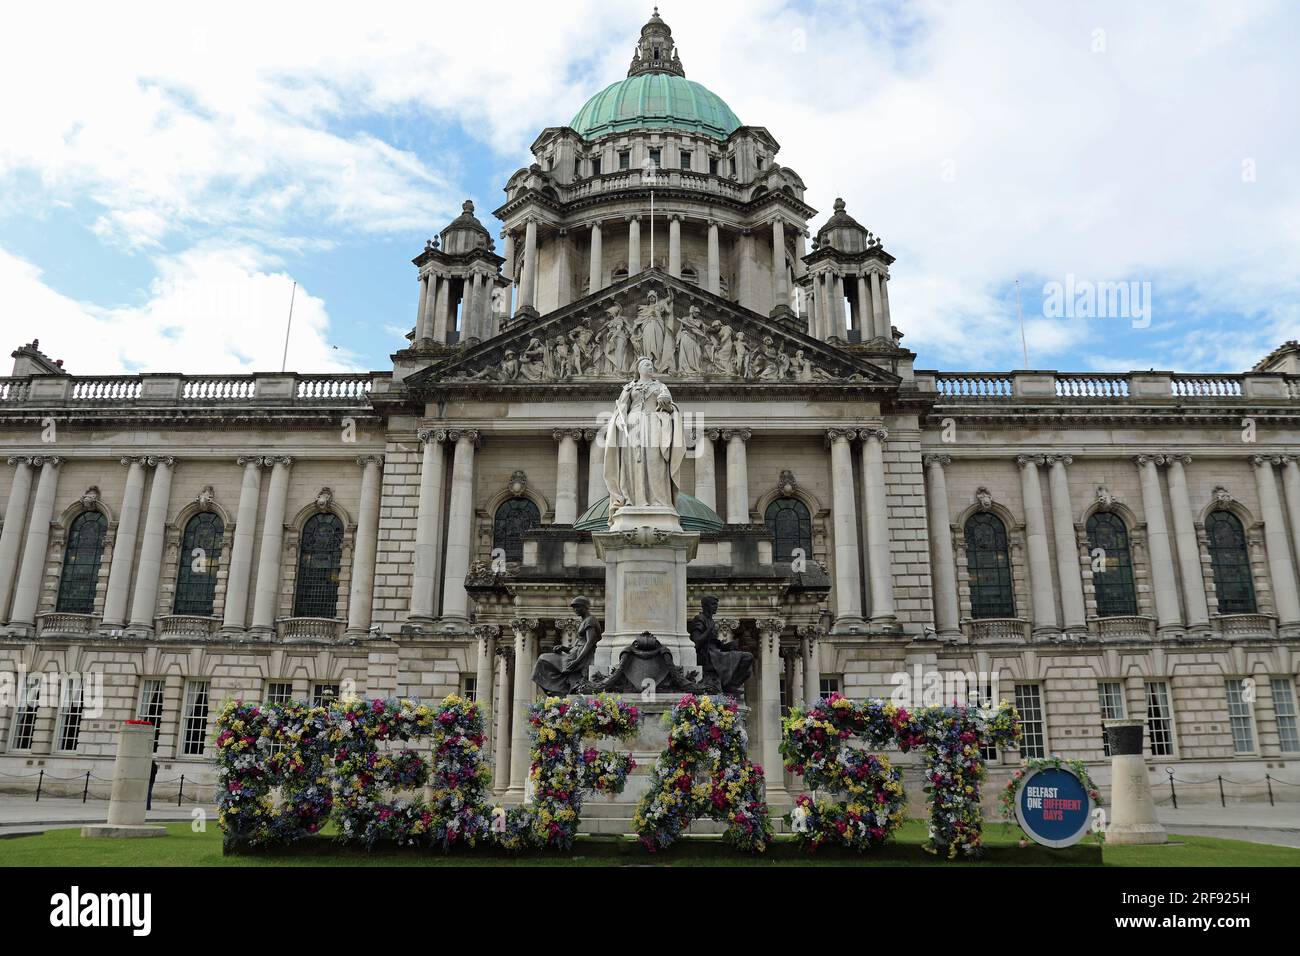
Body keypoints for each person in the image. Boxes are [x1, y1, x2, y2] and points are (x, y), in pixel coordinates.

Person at [602, 357, 684, 515]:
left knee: (656, 462)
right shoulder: (629, 387)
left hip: (654, 424)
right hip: (633, 426)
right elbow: (621, 408)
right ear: (638, 369)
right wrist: (620, 421)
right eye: (647, 365)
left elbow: (670, 407)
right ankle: (633, 500)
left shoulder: (661, 386)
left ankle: (659, 501)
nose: (650, 367)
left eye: (652, 365)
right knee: (633, 463)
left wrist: (667, 405)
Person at [532, 596, 601, 695]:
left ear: (585, 607)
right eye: (574, 608)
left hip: (582, 658)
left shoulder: (590, 620)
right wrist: (563, 648)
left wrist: (577, 661)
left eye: (578, 607)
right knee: (542, 661)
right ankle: (558, 691)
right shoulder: (584, 621)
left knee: (543, 660)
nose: (575, 610)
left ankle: (560, 690)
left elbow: (590, 643)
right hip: (575, 653)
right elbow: (578, 645)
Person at [688, 596, 753, 694]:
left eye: (716, 604)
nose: (716, 606)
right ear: (705, 606)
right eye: (713, 604)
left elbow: (713, 642)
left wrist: (728, 645)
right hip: (708, 656)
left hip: (716, 653)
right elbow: (696, 642)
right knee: (746, 657)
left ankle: (730, 685)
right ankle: (729, 686)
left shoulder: (710, 620)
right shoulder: (700, 619)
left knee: (747, 666)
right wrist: (709, 630)